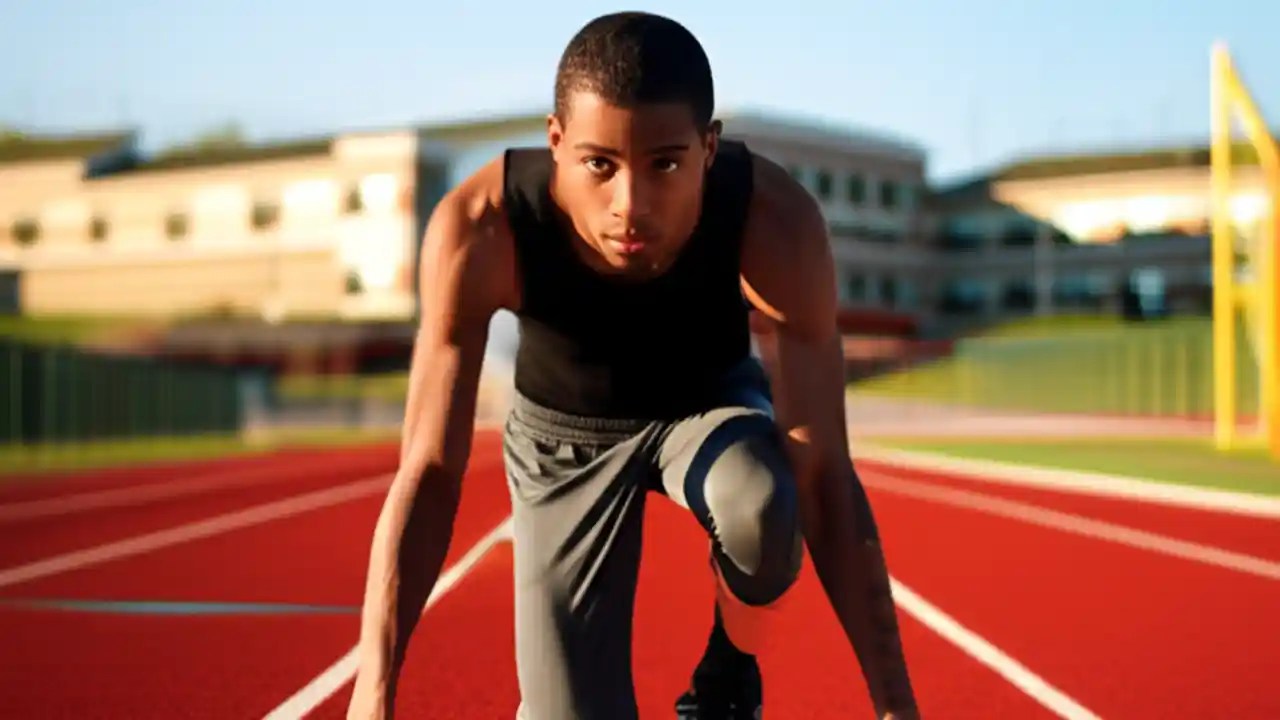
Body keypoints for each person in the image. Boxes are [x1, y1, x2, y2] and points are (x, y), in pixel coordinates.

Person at [346, 11, 919, 720]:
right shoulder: (482, 229)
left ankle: (728, 673)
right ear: (556, 142)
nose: (630, 206)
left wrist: (896, 707)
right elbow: (430, 469)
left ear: (709, 149)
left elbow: (824, 475)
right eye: (600, 165)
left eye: (665, 165)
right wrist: (373, 692)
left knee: (762, 505)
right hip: (561, 439)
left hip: (708, 408)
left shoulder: (776, 224)